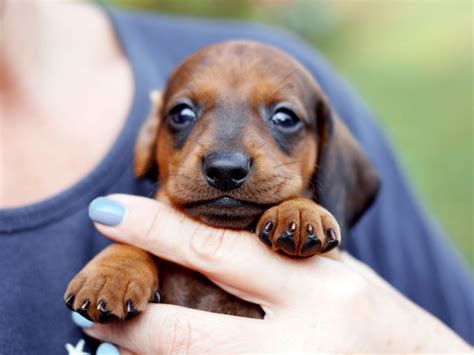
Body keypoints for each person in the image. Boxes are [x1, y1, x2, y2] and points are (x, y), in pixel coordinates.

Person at [0, 2, 471, 354]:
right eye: (184, 114)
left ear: (324, 148)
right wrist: (126, 260)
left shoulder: (308, 78)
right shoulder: (139, 243)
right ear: (150, 142)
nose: (225, 160)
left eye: (284, 118)